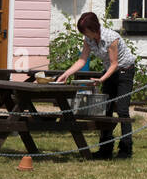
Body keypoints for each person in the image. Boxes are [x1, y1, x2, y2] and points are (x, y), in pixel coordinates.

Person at [56, 11, 137, 159]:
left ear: (94, 28)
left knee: (122, 110)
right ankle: (105, 149)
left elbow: (114, 64)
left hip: (125, 72)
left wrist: (101, 79)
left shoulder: (111, 38)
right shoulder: (89, 39)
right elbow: (82, 60)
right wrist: (66, 73)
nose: (85, 34)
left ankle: (126, 149)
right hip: (109, 73)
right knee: (105, 110)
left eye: (86, 31)